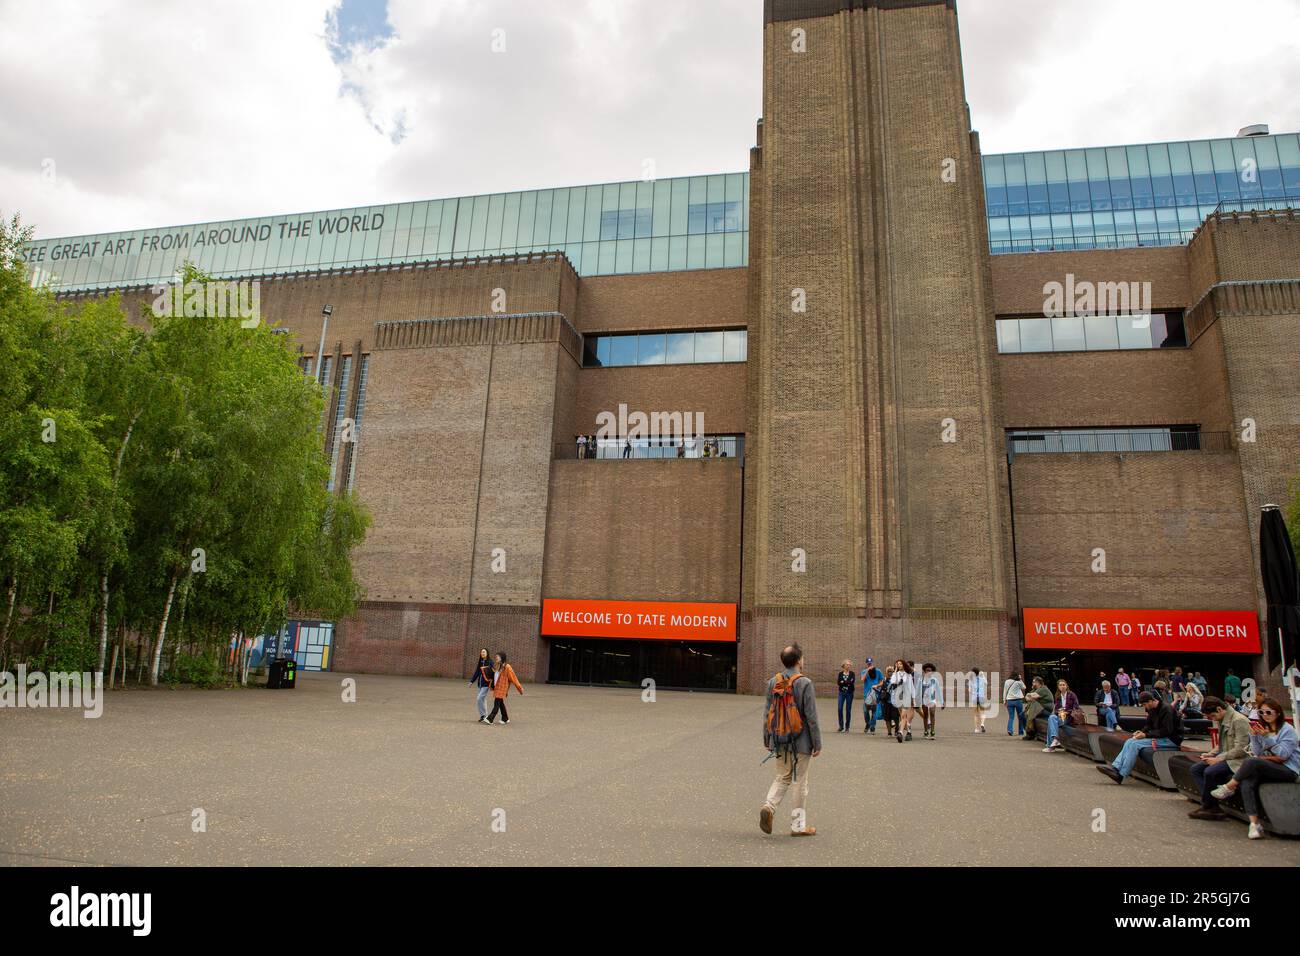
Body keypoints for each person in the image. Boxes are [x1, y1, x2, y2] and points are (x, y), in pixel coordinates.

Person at [1208, 697, 1300, 839]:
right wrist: (1254, 736)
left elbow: (1283, 755)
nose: (1265, 716)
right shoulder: (1262, 728)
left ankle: (1229, 787)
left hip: (1288, 769)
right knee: (1247, 780)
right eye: (1261, 713)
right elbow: (1257, 752)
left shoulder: (1288, 730)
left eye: (1268, 712)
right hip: (1268, 766)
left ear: (1278, 713)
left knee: (1251, 763)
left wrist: (1268, 738)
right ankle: (1254, 824)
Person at [759, 643, 821, 837]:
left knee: (782, 777)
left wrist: (767, 738)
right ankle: (798, 826)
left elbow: (766, 713)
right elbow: (811, 717)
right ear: (798, 661)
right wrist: (817, 743)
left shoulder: (773, 682)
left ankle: (769, 807)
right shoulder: (805, 683)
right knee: (800, 782)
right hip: (801, 741)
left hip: (779, 738)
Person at [1187, 696, 1252, 821]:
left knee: (1209, 771)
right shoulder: (1223, 718)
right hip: (1226, 756)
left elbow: (1241, 749)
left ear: (1219, 709)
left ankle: (1209, 807)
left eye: (1212, 716)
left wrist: (1218, 759)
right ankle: (1212, 805)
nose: (1212, 719)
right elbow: (1221, 744)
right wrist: (1210, 754)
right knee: (1195, 769)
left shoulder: (1239, 720)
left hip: (1237, 761)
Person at [1096, 691, 1183, 783]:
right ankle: (1115, 768)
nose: (1145, 707)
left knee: (1135, 744)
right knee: (1130, 741)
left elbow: (1167, 730)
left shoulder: (1167, 709)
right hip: (1161, 737)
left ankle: (1121, 775)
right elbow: (1149, 725)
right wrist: (1141, 731)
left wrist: (1146, 735)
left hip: (1171, 740)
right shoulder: (1152, 709)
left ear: (1150, 701)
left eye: (1145, 704)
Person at [485, 652, 524, 725]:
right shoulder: (497, 666)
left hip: (502, 688)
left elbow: (514, 678)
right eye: (496, 656)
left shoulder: (507, 667)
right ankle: (505, 718)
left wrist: (520, 688)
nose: (496, 658)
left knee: (496, 703)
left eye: (498, 657)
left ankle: (490, 718)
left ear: (502, 658)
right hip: (497, 687)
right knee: (500, 703)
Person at [1042, 679, 1080, 752]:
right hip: (1060, 716)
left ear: (1066, 686)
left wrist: (1067, 712)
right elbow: (1056, 709)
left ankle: (1051, 746)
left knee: (1051, 722)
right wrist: (1059, 712)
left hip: (1069, 717)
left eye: (1063, 685)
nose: (1062, 686)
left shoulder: (1072, 695)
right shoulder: (1058, 696)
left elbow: (1076, 707)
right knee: (1051, 717)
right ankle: (1055, 739)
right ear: (1058, 687)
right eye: (1060, 685)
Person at [889, 659, 916, 742]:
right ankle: (909, 731)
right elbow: (893, 682)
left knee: (903, 716)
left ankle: (900, 732)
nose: (899, 665)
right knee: (902, 716)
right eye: (897, 664)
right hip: (898, 698)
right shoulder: (895, 675)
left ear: (904, 665)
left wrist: (913, 699)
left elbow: (912, 688)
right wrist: (895, 672)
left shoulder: (908, 675)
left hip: (906, 697)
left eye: (900, 664)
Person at [1023, 676, 1054, 741]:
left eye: (1034, 682)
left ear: (1038, 683)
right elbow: (1026, 698)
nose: (1032, 683)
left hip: (1045, 710)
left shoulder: (1043, 689)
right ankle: (1031, 733)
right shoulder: (1036, 689)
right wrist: (1029, 696)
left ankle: (1030, 733)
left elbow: (1030, 697)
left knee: (1029, 713)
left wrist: (1029, 695)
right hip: (1040, 710)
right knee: (1025, 715)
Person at [918, 663, 944, 739]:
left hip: (932, 700)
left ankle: (932, 732)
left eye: (930, 671)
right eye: (927, 670)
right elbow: (918, 691)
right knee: (925, 715)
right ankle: (926, 731)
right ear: (924, 671)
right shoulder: (921, 680)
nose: (929, 672)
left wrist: (942, 702)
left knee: (932, 714)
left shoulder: (934, 680)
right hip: (924, 700)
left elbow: (939, 691)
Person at [469, 647, 494, 722]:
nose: (482, 653)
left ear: (487, 653)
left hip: (486, 684)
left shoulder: (490, 662)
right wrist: (471, 681)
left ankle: (483, 715)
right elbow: (477, 672)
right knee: (482, 699)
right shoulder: (480, 662)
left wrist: (492, 682)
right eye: (482, 652)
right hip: (479, 684)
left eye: (484, 652)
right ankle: (484, 715)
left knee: (479, 698)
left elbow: (493, 672)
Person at [859, 658, 883, 734]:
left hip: (875, 694)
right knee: (865, 711)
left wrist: (877, 685)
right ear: (866, 664)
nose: (870, 664)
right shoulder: (864, 671)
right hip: (867, 694)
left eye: (870, 663)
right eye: (868, 663)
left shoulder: (878, 671)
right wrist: (867, 670)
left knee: (874, 711)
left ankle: (872, 726)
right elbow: (862, 679)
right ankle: (868, 723)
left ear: (873, 663)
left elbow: (882, 681)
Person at [1003, 672, 1027, 736]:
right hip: (1018, 701)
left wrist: (1004, 700)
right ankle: (1020, 732)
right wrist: (1020, 679)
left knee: (1011, 717)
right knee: (1020, 717)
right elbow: (1024, 687)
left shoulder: (1007, 681)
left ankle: (1010, 730)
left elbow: (1005, 691)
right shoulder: (1018, 682)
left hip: (1009, 701)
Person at [836, 660, 855, 733]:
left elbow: (852, 682)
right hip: (841, 693)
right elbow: (838, 682)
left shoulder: (852, 674)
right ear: (843, 665)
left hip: (849, 693)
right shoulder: (840, 674)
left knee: (848, 710)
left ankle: (847, 727)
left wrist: (843, 682)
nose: (848, 666)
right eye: (847, 664)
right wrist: (847, 682)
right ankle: (841, 726)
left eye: (849, 665)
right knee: (840, 708)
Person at [879, 665, 899, 738]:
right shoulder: (884, 680)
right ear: (886, 672)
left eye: (891, 671)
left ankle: (897, 731)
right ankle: (889, 733)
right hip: (886, 702)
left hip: (895, 702)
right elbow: (882, 689)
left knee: (896, 718)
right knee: (887, 718)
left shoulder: (896, 680)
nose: (890, 673)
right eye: (888, 671)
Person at [968, 667, 989, 733]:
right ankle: (982, 724)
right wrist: (982, 675)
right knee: (982, 712)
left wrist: (973, 693)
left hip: (974, 698)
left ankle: (976, 729)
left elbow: (969, 690)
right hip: (981, 697)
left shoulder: (971, 680)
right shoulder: (982, 679)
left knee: (976, 714)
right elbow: (986, 683)